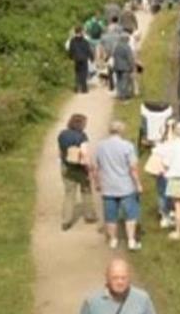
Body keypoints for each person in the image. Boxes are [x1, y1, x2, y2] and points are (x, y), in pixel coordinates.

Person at [91, 120, 143, 250]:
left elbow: (95, 167)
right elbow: (133, 168)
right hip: (126, 186)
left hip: (108, 186)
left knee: (110, 216)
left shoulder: (100, 146)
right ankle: (131, 240)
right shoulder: (128, 146)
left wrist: (97, 183)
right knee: (130, 214)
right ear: (121, 131)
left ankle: (113, 240)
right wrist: (138, 184)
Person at [58, 113, 98, 230]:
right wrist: (89, 168)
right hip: (80, 169)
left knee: (69, 194)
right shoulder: (82, 136)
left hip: (66, 166)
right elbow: (85, 154)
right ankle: (89, 216)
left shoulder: (62, 134)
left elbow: (60, 151)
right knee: (86, 191)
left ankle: (66, 221)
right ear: (81, 124)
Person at [67, 27, 94, 93]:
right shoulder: (85, 41)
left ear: (75, 32)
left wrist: (70, 57)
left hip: (76, 58)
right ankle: (84, 89)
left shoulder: (72, 41)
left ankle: (76, 88)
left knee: (77, 73)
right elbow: (88, 50)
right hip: (84, 58)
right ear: (81, 32)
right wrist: (91, 58)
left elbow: (71, 50)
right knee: (84, 73)